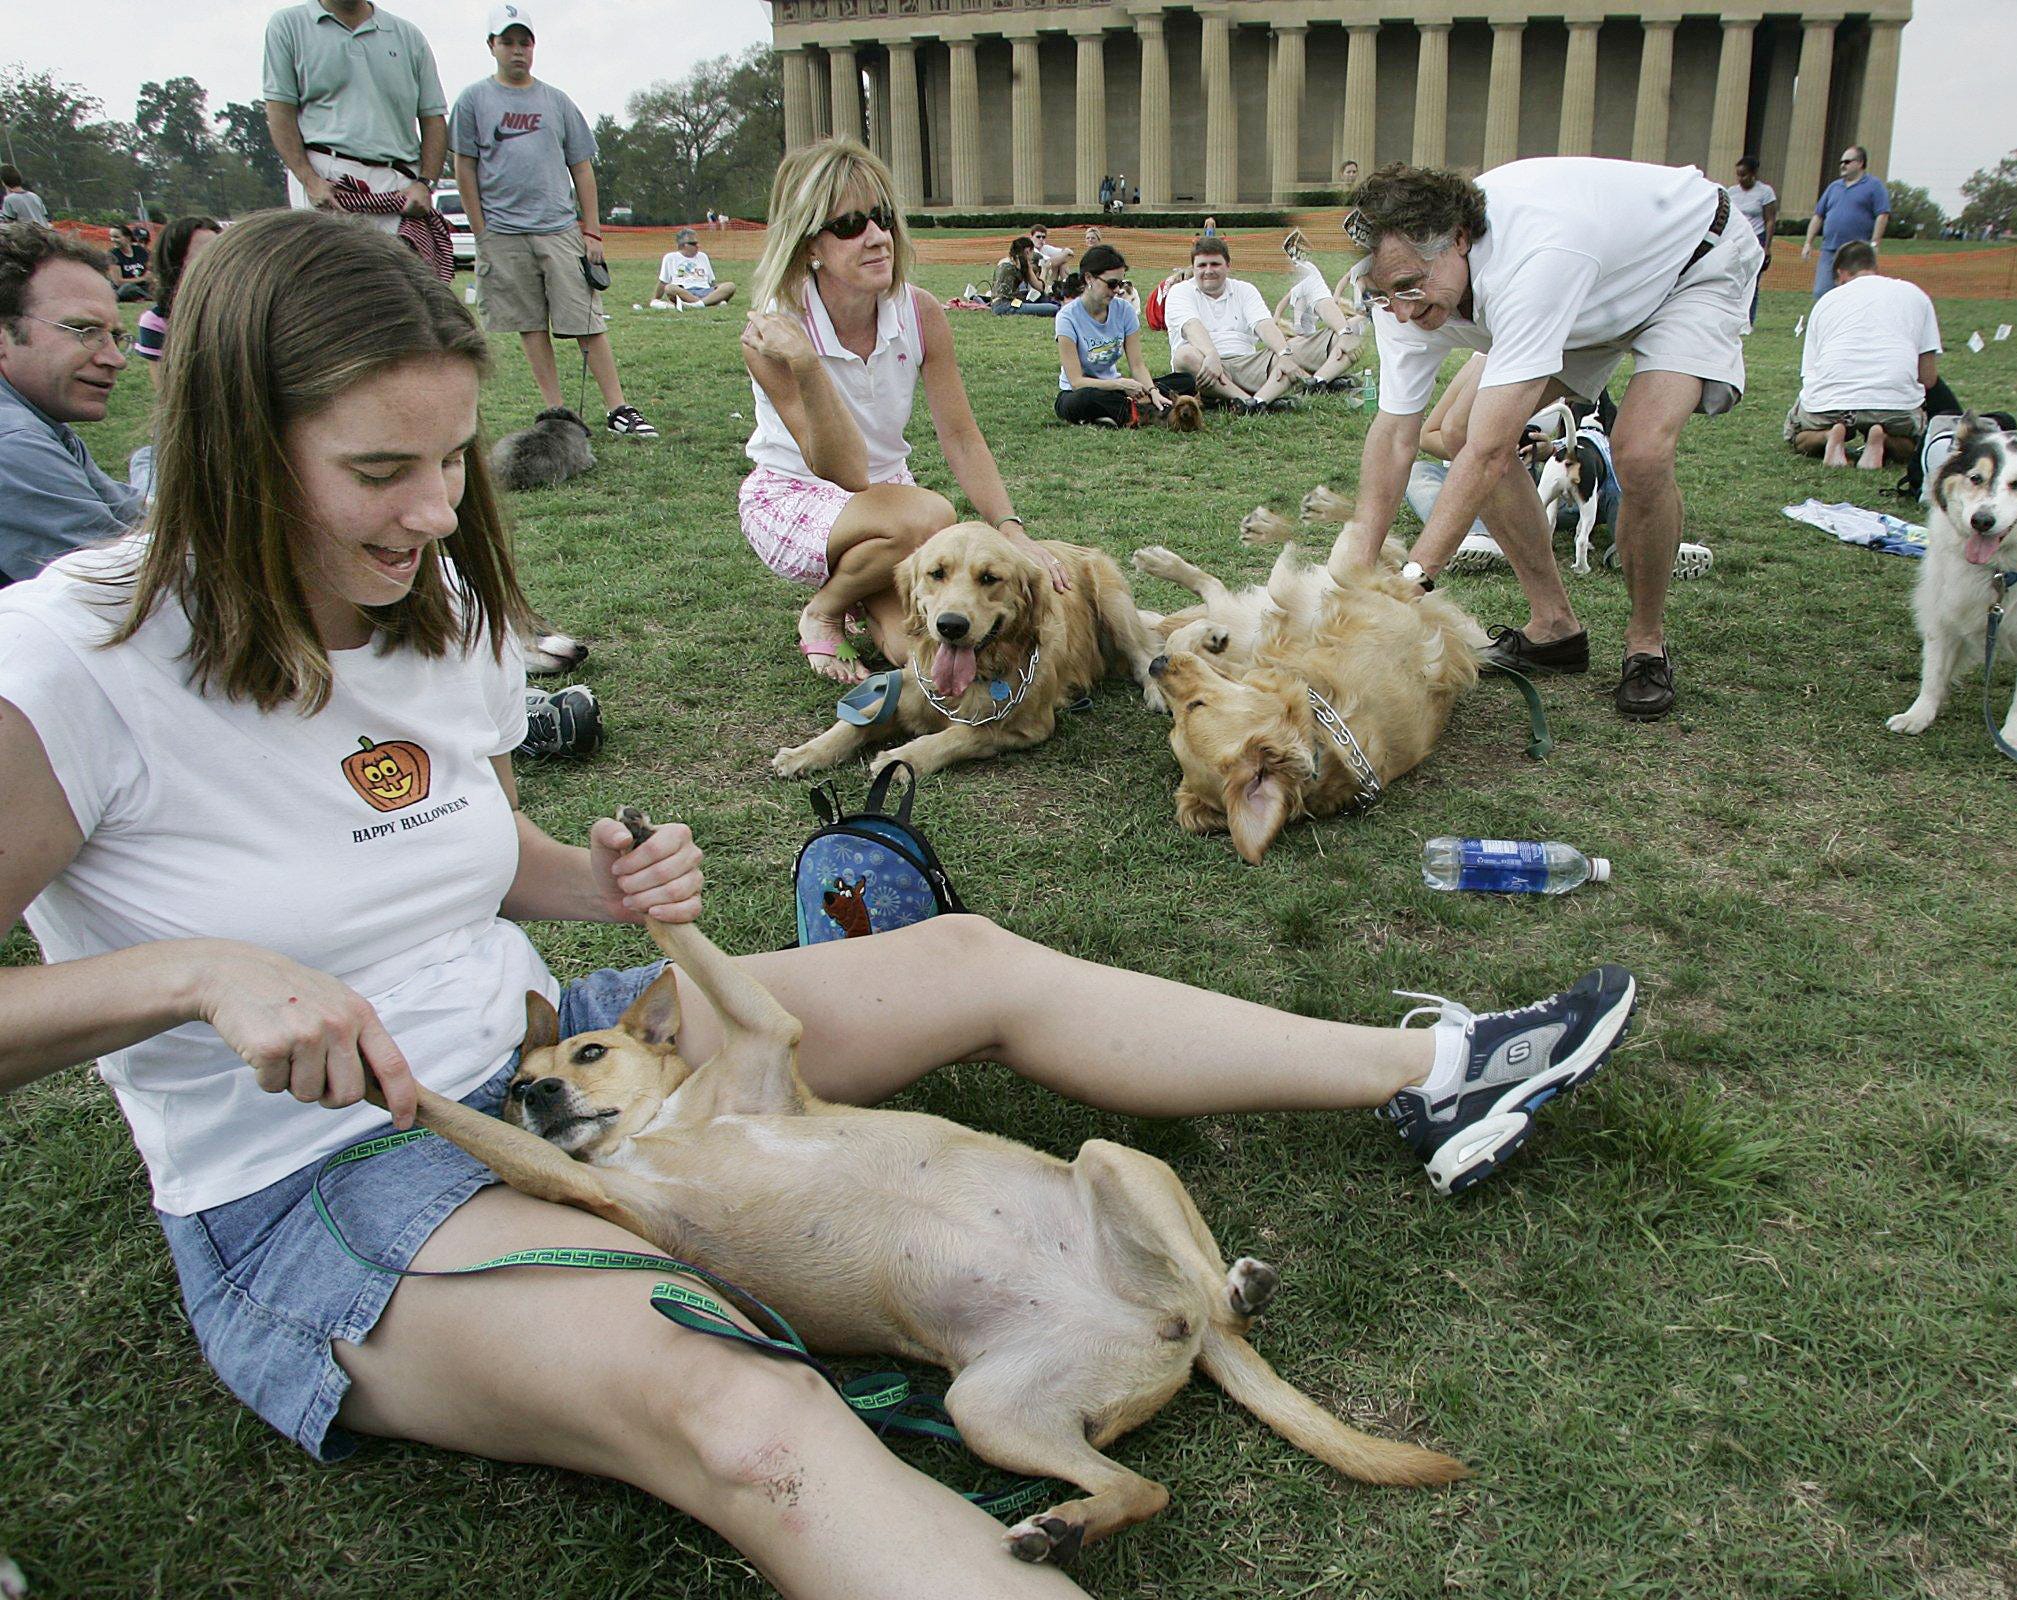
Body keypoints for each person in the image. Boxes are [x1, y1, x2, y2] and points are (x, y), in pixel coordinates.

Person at [0, 207, 1641, 1598]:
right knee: (748, 1415)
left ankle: (1444, 1074)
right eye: (381, 470)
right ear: (233, 448)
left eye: (448, 458)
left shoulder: (429, 597)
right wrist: (196, 977)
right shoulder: (71, 658)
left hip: (564, 1050)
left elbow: (475, 853)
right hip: (326, 1172)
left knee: (971, 959)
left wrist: (595, 883)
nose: (438, 511)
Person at [1337, 158, 1761, 720]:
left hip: (1691, 264)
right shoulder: (1400, 292)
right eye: (1385, 294)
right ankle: (1555, 628)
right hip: (1591, 286)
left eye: (1411, 288)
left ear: (1459, 240)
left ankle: (1645, 643)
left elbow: (1492, 452)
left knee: (1639, 452)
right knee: (1458, 429)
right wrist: (1357, 576)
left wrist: (1408, 587)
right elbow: (1395, 435)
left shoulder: (1533, 259)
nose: (1401, 310)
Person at [737, 138, 1049, 685]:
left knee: (915, 654)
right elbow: (843, 470)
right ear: (809, 244)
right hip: (797, 496)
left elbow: (961, 436)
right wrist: (807, 363)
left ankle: (859, 593)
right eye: (848, 225)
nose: (878, 236)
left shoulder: (920, 311)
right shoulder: (774, 332)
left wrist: (1011, 529)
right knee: (930, 517)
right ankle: (824, 610)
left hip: (890, 506)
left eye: (882, 217)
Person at [450, 5, 658, 438]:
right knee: (530, 324)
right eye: (507, 42)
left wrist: (592, 231)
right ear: (491, 46)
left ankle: (618, 409)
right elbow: (464, 167)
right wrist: (481, 231)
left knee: (586, 321)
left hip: (559, 229)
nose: (517, 50)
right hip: (503, 233)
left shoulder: (556, 101)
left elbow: (582, 167)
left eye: (524, 42)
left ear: (533, 46)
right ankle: (556, 411)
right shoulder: (473, 101)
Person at [0, 225, 142, 587]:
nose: (116, 359)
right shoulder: (13, 443)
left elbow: (133, 512)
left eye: (114, 336)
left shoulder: (42, 422)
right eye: (84, 330)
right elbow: (118, 585)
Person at [262, 0, 448, 257]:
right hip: (326, 180)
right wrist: (309, 180)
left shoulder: (408, 36)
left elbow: (433, 118)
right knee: (330, 279)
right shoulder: (288, 25)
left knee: (402, 281)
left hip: (400, 185)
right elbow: (280, 111)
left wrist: (425, 183)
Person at [1786, 241, 1941, 470]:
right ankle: (1883, 439)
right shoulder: (1915, 295)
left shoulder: (1825, 302)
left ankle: (1828, 436)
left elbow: (1810, 373)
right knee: (1915, 441)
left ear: (1841, 274)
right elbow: (1928, 378)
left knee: (1796, 435)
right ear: (1875, 267)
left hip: (1832, 403)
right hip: (1893, 404)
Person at [1053, 244, 1194, 426]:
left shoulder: (1125, 310)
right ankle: (1140, 411)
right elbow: (1076, 382)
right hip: (1082, 391)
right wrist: (1121, 385)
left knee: (1186, 380)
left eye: (1120, 284)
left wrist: (1152, 390)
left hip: (1116, 389)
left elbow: (1137, 365)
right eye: (1111, 284)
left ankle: (1123, 412)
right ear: (1089, 278)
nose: (1117, 290)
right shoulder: (1067, 317)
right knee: (1080, 400)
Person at [1164, 234, 1307, 409]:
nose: (1208, 271)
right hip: (1204, 366)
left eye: (1215, 264)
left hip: (1247, 363)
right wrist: (1211, 355)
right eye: (1202, 265)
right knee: (1184, 355)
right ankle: (1249, 400)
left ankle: (1255, 402)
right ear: (1193, 268)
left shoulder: (1245, 290)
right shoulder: (1179, 291)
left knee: (1293, 349)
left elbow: (1263, 324)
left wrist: (1284, 354)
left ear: (1228, 266)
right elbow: (1191, 326)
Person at [1274, 229, 1367, 388]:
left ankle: (1324, 379)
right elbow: (1322, 303)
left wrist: (1276, 319)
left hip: (1306, 346)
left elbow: (1285, 302)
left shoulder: (1306, 282)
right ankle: (1321, 380)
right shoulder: (1310, 277)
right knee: (1351, 331)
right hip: (1309, 345)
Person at [1800, 146, 1889, 299]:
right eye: (1841, 162)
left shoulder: (1874, 186)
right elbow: (1818, 216)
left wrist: (1874, 243)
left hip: (1857, 253)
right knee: (1822, 293)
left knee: (1854, 295)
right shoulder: (1834, 187)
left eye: (1847, 162)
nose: (1842, 165)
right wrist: (1808, 243)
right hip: (1830, 250)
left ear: (1860, 163)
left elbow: (1882, 215)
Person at [132, 217, 222, 364]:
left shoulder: (243, 309)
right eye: (204, 258)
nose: (217, 265)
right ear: (173, 264)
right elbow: (165, 379)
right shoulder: (157, 322)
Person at [1726, 154, 1777, 325]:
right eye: (1738, 175)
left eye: (1744, 175)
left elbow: (1770, 220)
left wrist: (1767, 247)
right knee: (1733, 280)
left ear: (1753, 174)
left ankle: (1748, 320)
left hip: (1757, 239)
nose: (1740, 179)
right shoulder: (1732, 192)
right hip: (1736, 240)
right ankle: (1732, 317)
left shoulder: (1765, 192)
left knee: (1751, 281)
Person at [654, 226, 735, 308]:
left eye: (697, 243)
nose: (697, 246)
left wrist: (716, 292)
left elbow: (711, 282)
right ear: (683, 245)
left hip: (705, 290)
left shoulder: (703, 256)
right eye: (693, 243)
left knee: (730, 286)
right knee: (669, 288)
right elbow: (663, 282)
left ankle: (697, 304)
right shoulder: (670, 258)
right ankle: (708, 303)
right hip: (684, 291)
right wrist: (656, 299)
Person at [990, 235, 1059, 311]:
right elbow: (1039, 287)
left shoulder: (1006, 261)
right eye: (1032, 252)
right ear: (1027, 251)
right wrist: (1044, 269)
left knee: (1036, 296)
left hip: (998, 302)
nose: (1032, 257)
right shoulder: (1022, 263)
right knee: (1053, 308)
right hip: (1006, 306)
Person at [105, 225, 152, 302]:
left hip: (143, 286)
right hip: (123, 289)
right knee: (127, 288)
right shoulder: (112, 254)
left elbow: (149, 271)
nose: (113, 240)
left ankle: (142, 296)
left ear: (128, 238)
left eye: (116, 237)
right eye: (112, 237)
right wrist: (142, 279)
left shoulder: (141, 251)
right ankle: (148, 297)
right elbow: (118, 282)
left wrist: (150, 275)